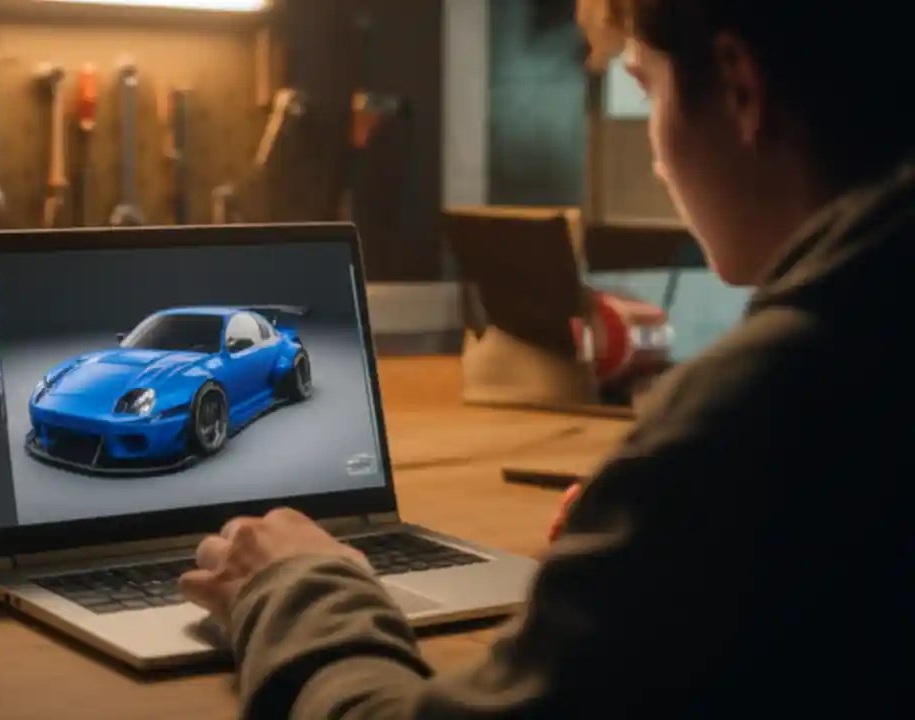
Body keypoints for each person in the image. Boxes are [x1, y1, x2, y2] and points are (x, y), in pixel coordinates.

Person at [177, 1, 915, 717]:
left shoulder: (766, 413)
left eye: (646, 87)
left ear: (741, 89)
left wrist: (298, 584)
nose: (657, 158)